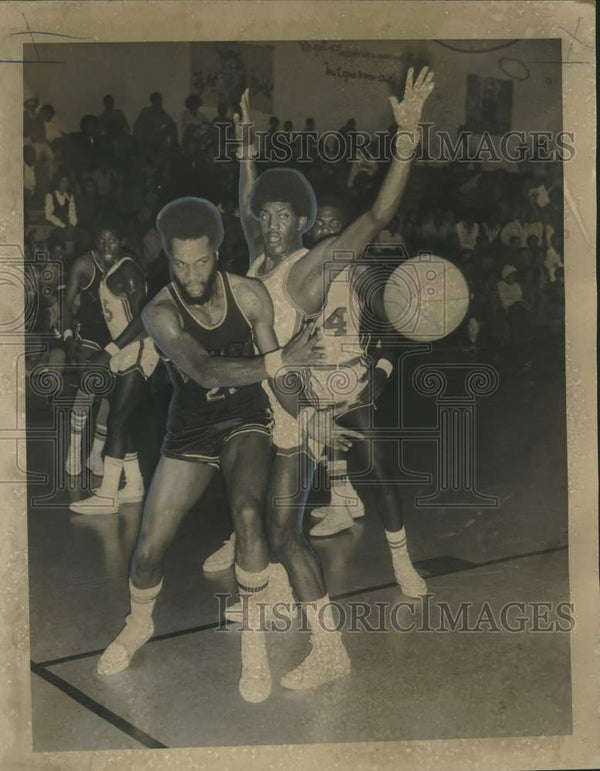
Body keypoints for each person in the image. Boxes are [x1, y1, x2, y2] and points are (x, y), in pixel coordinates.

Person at [235, 67, 434, 690]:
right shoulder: (257, 259)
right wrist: (244, 151)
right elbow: (246, 207)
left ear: (302, 223)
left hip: (320, 398)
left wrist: (406, 137)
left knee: (297, 519)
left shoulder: (311, 266)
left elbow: (378, 213)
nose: (271, 222)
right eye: (266, 214)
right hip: (284, 404)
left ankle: (337, 635)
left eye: (283, 215)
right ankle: (299, 615)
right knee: (276, 530)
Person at [96, 197, 328, 704]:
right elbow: (202, 370)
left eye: (200, 262)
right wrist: (279, 361)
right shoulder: (158, 312)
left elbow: (278, 373)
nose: (191, 274)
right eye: (180, 264)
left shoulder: (249, 295)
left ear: (216, 254)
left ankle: (254, 646)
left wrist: (311, 415)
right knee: (149, 549)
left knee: (247, 513)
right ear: (169, 258)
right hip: (190, 429)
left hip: (247, 418)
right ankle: (139, 623)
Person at [62, 214, 157, 496]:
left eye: (112, 239)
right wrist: (68, 336)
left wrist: (111, 351)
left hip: (129, 344)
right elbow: (67, 303)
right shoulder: (92, 265)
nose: (106, 245)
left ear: (121, 241)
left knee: (116, 413)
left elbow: (142, 316)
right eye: (101, 239)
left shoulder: (126, 268)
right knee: (105, 400)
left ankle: (102, 474)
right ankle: (128, 481)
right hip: (103, 337)